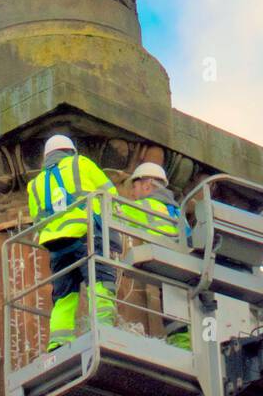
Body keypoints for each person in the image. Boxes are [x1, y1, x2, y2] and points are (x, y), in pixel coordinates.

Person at [27, 134, 118, 351]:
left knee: (64, 294)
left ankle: (58, 341)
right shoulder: (81, 163)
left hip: (56, 244)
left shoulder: (35, 184)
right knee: (100, 282)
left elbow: (36, 218)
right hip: (85, 234)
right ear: (70, 151)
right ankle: (104, 326)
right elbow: (110, 194)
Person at [119, 162, 191, 351]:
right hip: (184, 265)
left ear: (147, 185)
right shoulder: (177, 212)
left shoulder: (146, 205)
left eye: (134, 187)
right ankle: (184, 345)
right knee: (178, 309)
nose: (133, 193)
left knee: (171, 305)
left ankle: (181, 344)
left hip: (164, 260)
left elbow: (115, 212)